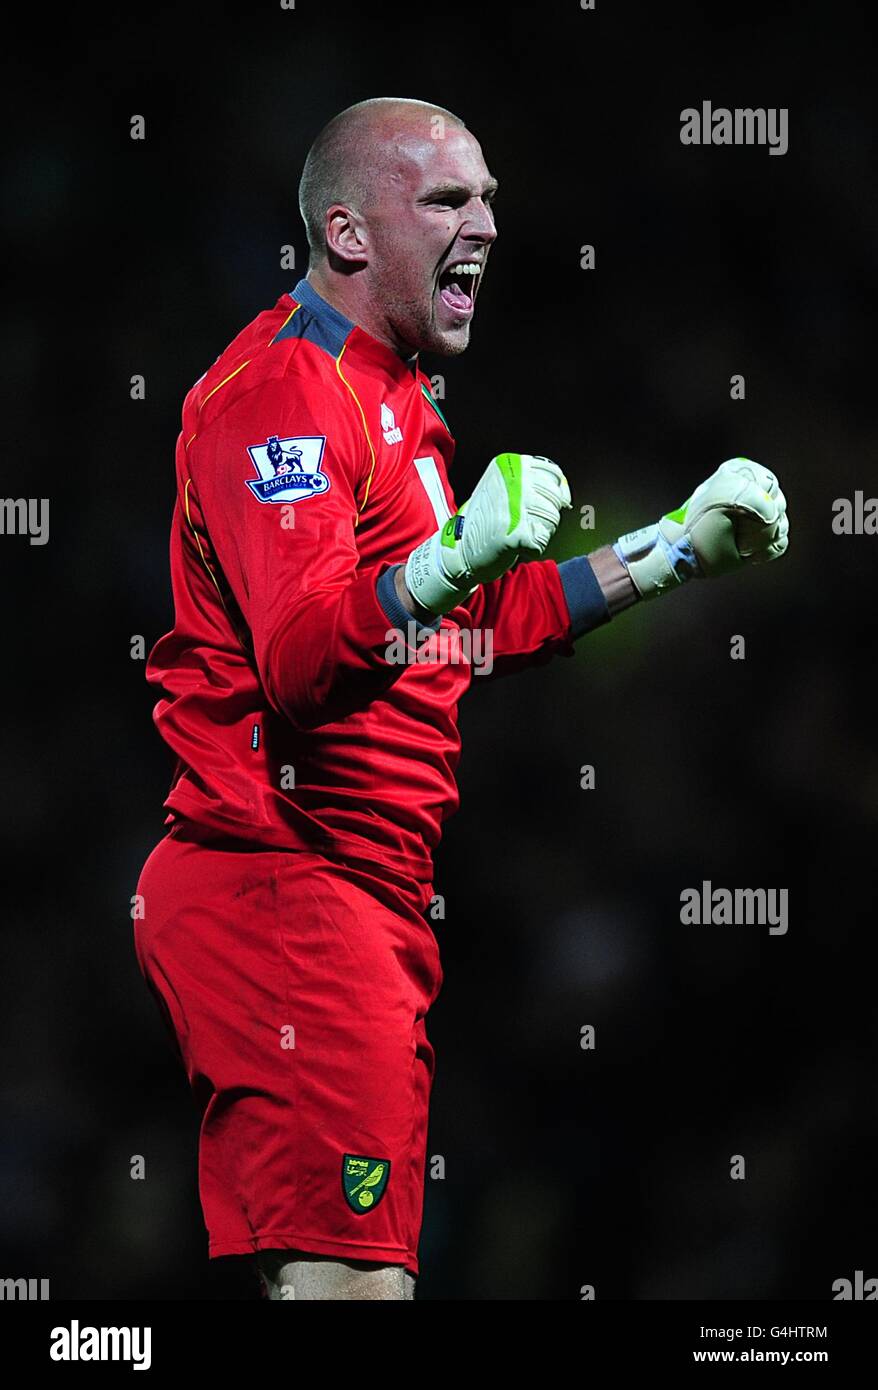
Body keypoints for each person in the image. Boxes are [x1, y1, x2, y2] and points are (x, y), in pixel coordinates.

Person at [134, 96, 789, 1301]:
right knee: (352, 1290)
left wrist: (672, 549)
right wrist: (444, 564)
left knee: (348, 1285)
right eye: (445, 199)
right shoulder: (284, 391)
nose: (484, 221)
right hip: (288, 880)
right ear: (345, 231)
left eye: (486, 195)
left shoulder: (400, 396)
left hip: (360, 893)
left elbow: (467, 628)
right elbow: (294, 658)